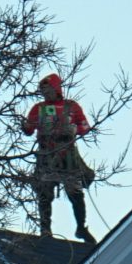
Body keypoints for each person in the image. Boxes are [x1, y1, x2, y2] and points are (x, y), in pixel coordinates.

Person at [24, 73, 94, 243]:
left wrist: (74, 130)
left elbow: (85, 126)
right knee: (44, 192)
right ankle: (45, 229)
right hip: (47, 155)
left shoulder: (71, 107)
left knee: (75, 192)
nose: (45, 94)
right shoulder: (38, 108)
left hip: (67, 155)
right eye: (43, 91)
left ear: (56, 88)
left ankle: (81, 228)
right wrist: (25, 125)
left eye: (48, 90)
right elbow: (29, 129)